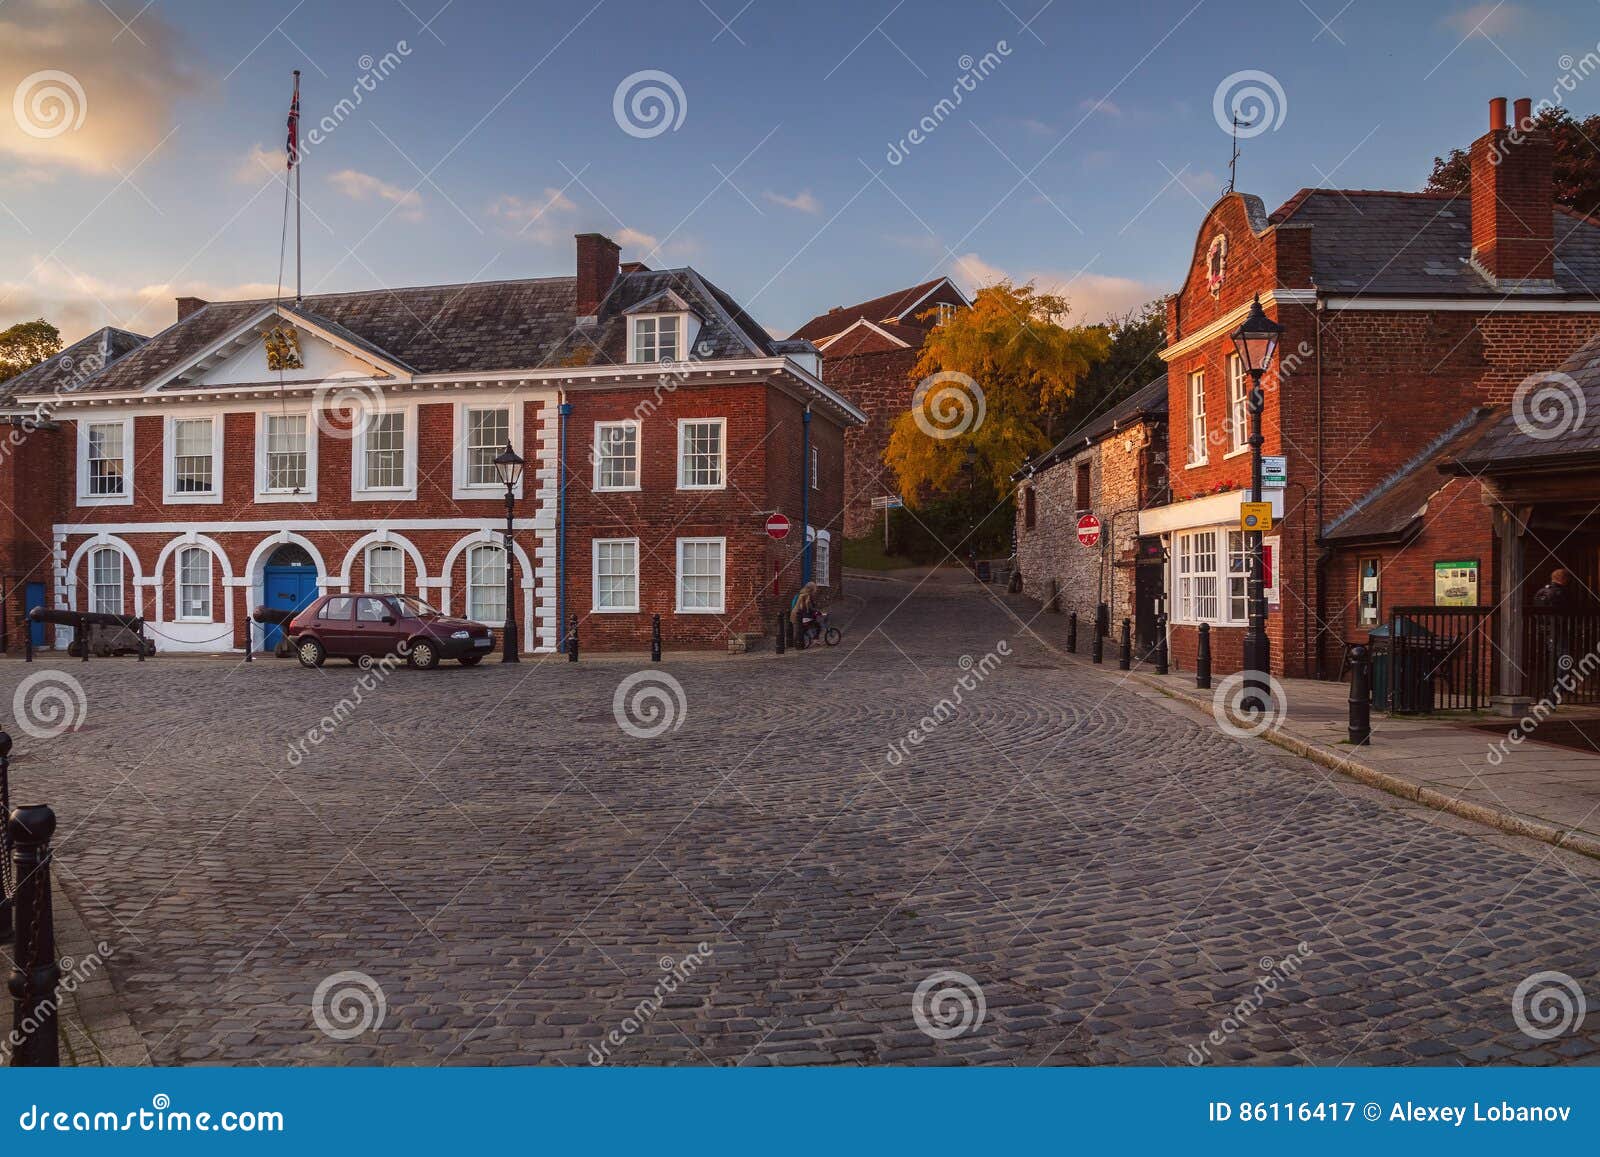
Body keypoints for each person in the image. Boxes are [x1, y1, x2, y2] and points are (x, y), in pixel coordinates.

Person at [789, 581, 820, 646]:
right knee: (815, 625)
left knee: (799, 630)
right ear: (812, 589)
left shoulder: (801, 593)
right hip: (799, 615)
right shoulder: (806, 595)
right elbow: (808, 607)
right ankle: (800, 644)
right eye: (815, 588)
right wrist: (816, 611)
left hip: (795, 614)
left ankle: (796, 644)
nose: (816, 590)